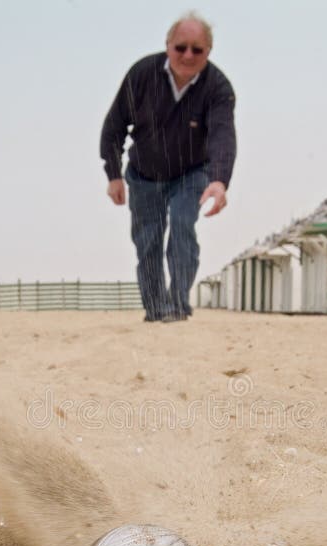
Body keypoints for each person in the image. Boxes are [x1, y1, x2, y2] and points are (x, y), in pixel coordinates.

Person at [100, 12, 236, 322]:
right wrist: (113, 174)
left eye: (197, 50)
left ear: (208, 52)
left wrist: (219, 180)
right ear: (168, 46)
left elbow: (222, 135)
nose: (188, 55)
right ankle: (155, 309)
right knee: (148, 241)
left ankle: (177, 304)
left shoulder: (218, 88)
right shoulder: (142, 75)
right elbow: (114, 126)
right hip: (144, 174)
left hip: (191, 173)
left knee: (182, 225)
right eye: (181, 47)